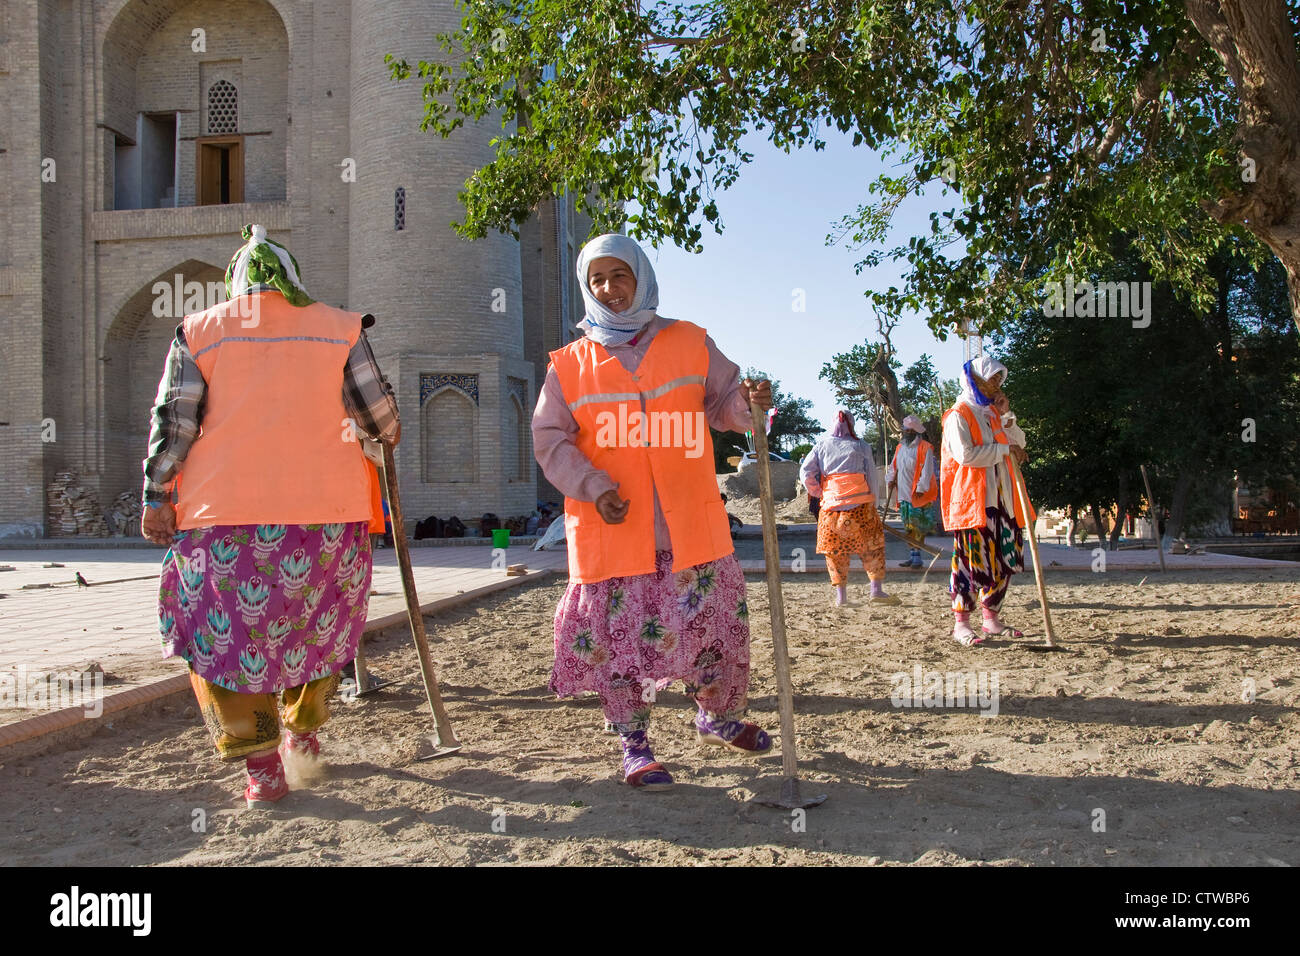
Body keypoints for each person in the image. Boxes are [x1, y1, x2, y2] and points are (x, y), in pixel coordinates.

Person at [141, 224, 400, 808]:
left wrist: (156, 497)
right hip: (327, 520)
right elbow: (380, 418)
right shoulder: (339, 327)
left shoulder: (200, 331)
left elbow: (174, 422)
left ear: (236, 285)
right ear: (294, 281)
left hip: (221, 520)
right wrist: (385, 428)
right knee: (316, 623)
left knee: (222, 638)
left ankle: (262, 767)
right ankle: (301, 733)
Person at [532, 233, 774, 792]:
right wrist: (592, 486)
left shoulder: (690, 341)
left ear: (641, 276)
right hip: (613, 530)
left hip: (692, 526)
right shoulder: (568, 365)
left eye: (620, 275)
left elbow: (724, 403)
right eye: (597, 279)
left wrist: (749, 406)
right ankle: (635, 747)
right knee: (623, 647)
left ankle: (716, 715)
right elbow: (551, 441)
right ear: (585, 287)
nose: (609, 288)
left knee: (715, 631)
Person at [939, 356, 1033, 646]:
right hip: (973, 501)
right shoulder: (958, 414)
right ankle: (962, 624)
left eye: (998, 380)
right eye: (990, 379)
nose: (995, 385)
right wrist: (1005, 450)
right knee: (970, 562)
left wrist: (1007, 416)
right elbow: (965, 455)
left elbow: (1020, 442)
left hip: (1003, 497)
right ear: (974, 379)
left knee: (1004, 559)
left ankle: (991, 620)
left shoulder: (993, 413)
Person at [799, 411, 899, 607]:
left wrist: (818, 491)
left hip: (831, 508)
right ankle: (876, 590)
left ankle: (841, 598)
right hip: (861, 507)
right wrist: (874, 503)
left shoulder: (821, 445)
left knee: (835, 553)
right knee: (872, 548)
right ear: (851, 423)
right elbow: (871, 475)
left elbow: (805, 472)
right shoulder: (861, 446)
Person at [886, 414, 938, 568]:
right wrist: (890, 479)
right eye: (905, 430)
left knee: (918, 527)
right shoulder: (900, 447)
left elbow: (927, 471)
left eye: (909, 430)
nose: (906, 433)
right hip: (903, 493)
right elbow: (893, 466)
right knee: (908, 526)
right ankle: (912, 555)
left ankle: (917, 557)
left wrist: (921, 488)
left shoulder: (925, 448)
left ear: (915, 432)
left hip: (918, 495)